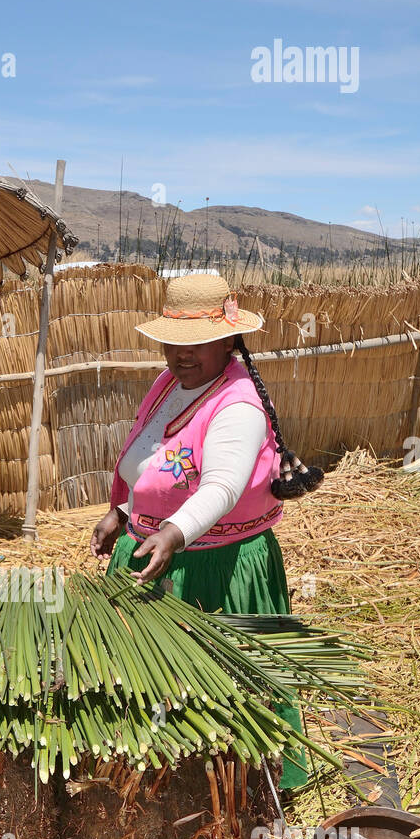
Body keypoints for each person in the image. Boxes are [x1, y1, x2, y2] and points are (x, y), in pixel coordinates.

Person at [90, 273, 322, 791]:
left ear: (230, 340)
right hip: (153, 552)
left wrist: (172, 535)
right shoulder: (168, 384)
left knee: (230, 684)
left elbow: (220, 488)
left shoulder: (237, 405)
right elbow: (150, 462)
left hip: (216, 567)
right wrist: (124, 513)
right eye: (174, 341)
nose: (182, 354)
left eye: (197, 343)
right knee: (149, 675)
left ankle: (245, 783)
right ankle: (159, 772)